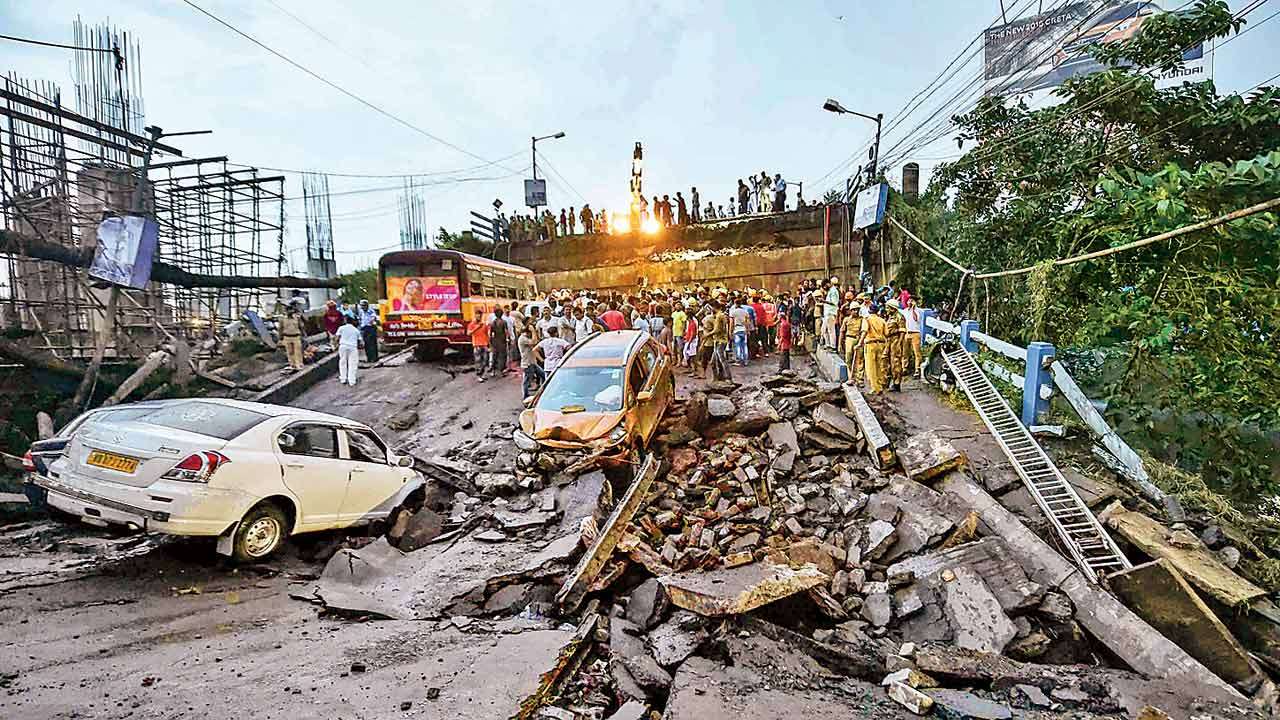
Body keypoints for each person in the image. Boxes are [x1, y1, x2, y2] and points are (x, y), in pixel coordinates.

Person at [861, 306, 888, 394]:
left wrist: (859, 343)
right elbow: (886, 333)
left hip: (870, 344)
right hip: (881, 344)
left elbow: (864, 331)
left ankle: (874, 388)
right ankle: (880, 386)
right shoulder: (882, 320)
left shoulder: (867, 319)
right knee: (879, 366)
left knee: (871, 366)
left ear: (869, 311)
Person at [883, 301, 905, 392]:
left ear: (893, 308)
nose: (886, 309)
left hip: (895, 340)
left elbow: (902, 332)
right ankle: (887, 382)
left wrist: (899, 344)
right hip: (888, 340)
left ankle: (896, 384)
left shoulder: (899, 317)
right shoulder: (889, 317)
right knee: (886, 361)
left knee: (895, 362)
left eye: (888, 308)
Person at [518, 326, 542, 400]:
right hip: (527, 363)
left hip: (532, 362)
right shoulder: (523, 339)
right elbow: (534, 342)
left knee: (543, 375)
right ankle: (525, 396)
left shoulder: (526, 338)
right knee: (527, 381)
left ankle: (542, 391)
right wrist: (533, 331)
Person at [336, 316, 362, 386]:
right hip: (353, 347)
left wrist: (336, 345)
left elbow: (337, 338)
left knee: (342, 362)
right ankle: (352, 381)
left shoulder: (341, 328)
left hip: (343, 346)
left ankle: (343, 379)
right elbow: (360, 341)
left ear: (346, 321)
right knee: (352, 363)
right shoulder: (356, 330)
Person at [279, 307, 305, 371]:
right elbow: (280, 328)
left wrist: (303, 333)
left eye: (291, 310)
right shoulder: (282, 319)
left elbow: (301, 326)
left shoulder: (297, 318)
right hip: (287, 337)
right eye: (288, 310)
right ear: (286, 311)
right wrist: (280, 337)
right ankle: (292, 365)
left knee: (297, 351)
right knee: (290, 352)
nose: (290, 312)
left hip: (296, 336)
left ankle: (299, 364)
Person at [467, 309, 491, 382]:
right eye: (477, 315)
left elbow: (487, 334)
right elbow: (469, 333)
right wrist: (477, 327)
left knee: (485, 360)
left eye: (480, 315)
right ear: (475, 315)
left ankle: (482, 374)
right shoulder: (471, 324)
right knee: (478, 360)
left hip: (484, 344)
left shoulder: (484, 324)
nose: (479, 317)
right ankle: (479, 375)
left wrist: (489, 344)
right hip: (477, 344)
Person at [904, 296, 924, 378]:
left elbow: (916, 319)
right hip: (907, 333)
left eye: (911, 301)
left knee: (917, 352)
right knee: (905, 352)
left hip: (915, 333)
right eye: (909, 300)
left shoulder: (918, 311)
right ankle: (905, 367)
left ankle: (917, 369)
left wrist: (913, 309)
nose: (909, 302)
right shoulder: (905, 311)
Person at [729, 299, 752, 366]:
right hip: (744, 329)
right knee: (744, 346)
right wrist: (748, 330)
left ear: (735, 304)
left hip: (736, 329)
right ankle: (745, 360)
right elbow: (747, 322)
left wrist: (730, 332)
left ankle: (739, 360)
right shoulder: (745, 312)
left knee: (738, 345)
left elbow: (731, 323)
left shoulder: (733, 312)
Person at [489, 307, 511, 377]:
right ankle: (501, 371)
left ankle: (493, 370)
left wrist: (491, 342)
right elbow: (506, 332)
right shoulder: (504, 322)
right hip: (502, 341)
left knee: (494, 356)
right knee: (502, 356)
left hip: (495, 341)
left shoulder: (493, 323)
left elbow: (491, 334)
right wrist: (508, 339)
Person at [822, 277, 841, 349]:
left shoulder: (833, 291)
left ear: (828, 283)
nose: (824, 288)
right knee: (824, 330)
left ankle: (832, 346)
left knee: (831, 330)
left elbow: (834, 302)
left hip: (830, 313)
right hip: (827, 313)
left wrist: (824, 301)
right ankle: (828, 344)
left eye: (825, 286)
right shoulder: (830, 291)